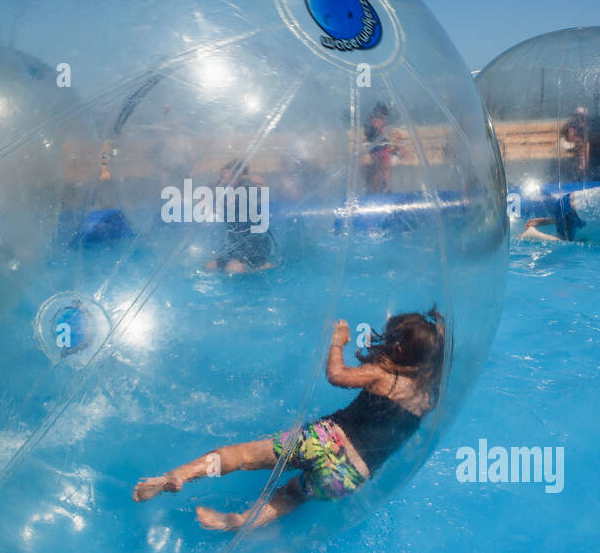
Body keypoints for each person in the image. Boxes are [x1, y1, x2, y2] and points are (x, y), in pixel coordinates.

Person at [133, 310, 444, 530]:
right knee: (292, 496)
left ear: (399, 348)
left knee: (241, 456)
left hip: (326, 441)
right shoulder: (428, 399)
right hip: (348, 478)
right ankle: (238, 522)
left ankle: (182, 476)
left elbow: (337, 375)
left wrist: (337, 342)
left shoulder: (383, 375)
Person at [520, 171, 600, 241]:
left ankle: (544, 222)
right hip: (568, 210)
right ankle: (533, 234)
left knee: (581, 229)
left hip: (566, 203)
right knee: (564, 242)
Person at [205, 160, 275, 273]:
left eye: (227, 176)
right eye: (222, 176)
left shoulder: (248, 192)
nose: (223, 179)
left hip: (253, 241)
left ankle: (259, 268)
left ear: (238, 178)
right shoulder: (221, 194)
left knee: (234, 268)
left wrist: (243, 176)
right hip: (233, 241)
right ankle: (259, 266)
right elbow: (203, 202)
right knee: (210, 266)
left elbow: (262, 184)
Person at [362, 102, 408, 193]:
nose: (382, 120)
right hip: (377, 149)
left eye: (383, 118)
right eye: (381, 118)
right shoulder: (372, 128)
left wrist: (396, 149)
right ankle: (377, 189)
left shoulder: (385, 127)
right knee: (381, 166)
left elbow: (394, 141)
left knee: (385, 166)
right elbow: (372, 140)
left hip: (384, 149)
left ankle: (384, 188)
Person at [558, 107, 590, 179]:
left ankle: (583, 167)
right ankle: (583, 167)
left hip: (578, 146)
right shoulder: (571, 125)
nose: (580, 119)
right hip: (567, 145)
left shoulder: (585, 126)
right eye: (578, 116)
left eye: (582, 117)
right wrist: (580, 140)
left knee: (585, 145)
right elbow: (569, 138)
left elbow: (587, 138)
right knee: (585, 145)